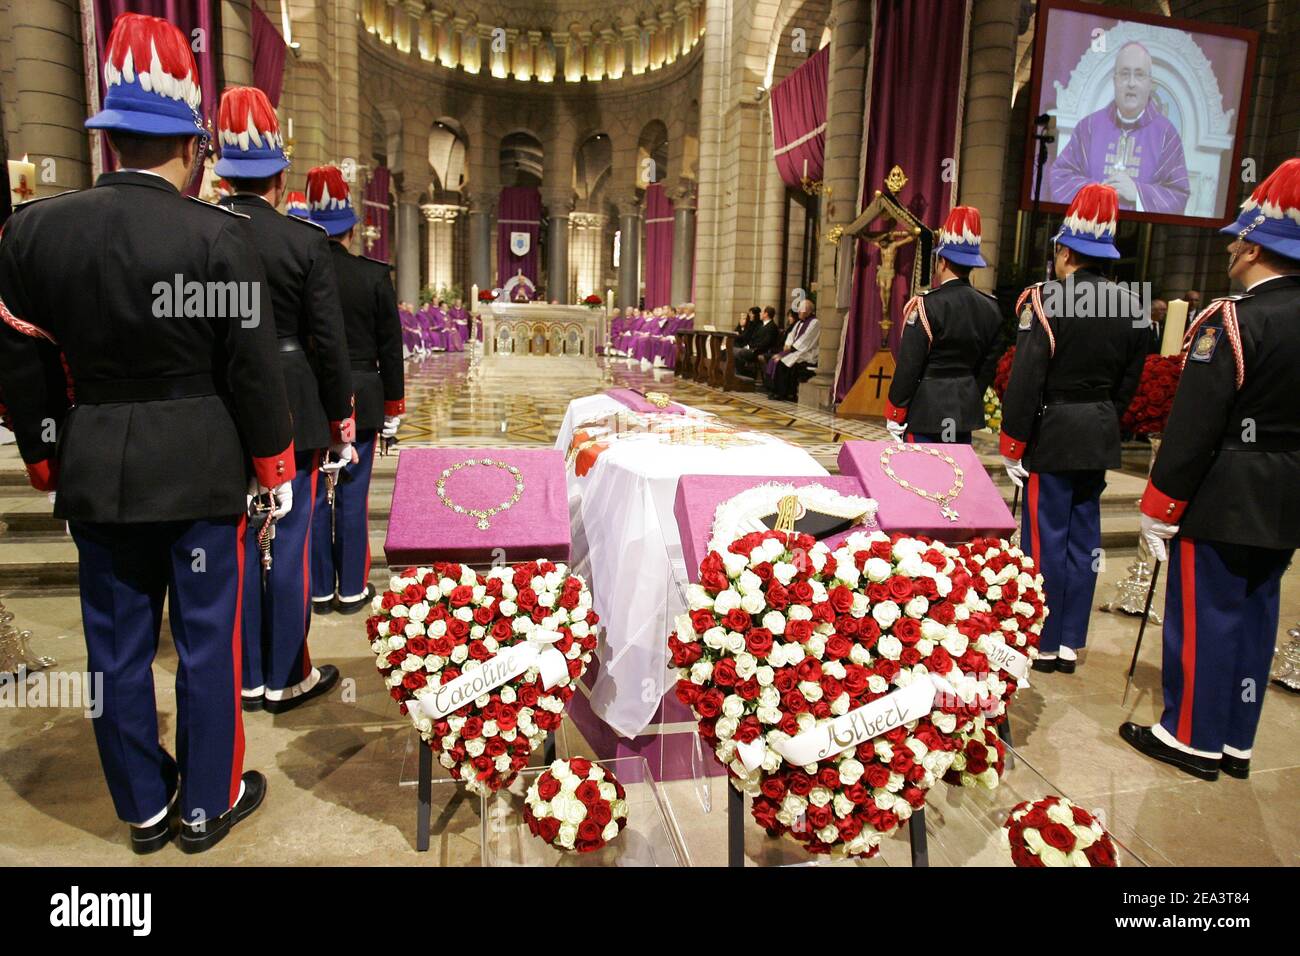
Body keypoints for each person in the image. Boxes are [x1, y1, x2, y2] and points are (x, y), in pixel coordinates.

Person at [0, 13, 294, 853]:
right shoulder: (218, 239)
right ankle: (206, 804)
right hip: (202, 471)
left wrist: (44, 449)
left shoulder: (33, 232)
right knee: (205, 646)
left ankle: (143, 808)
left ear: (109, 137)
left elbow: (21, 357)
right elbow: (250, 370)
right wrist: (273, 462)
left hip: (98, 468)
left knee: (115, 653)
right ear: (195, 146)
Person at [1122, 158, 1300, 782]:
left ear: (1254, 245)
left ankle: (1192, 736)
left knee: (1204, 615)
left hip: (1224, 492)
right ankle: (1235, 739)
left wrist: (1161, 506)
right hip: (1286, 495)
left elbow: (1195, 426)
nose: (1230, 250)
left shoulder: (1232, 320)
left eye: (1237, 240)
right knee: (1256, 616)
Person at [214, 86, 352, 715]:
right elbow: (328, 344)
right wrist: (340, 415)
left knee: (237, 543)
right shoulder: (303, 242)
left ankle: (243, 675)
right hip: (296, 405)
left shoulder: (201, 230)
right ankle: (286, 674)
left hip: (219, 408)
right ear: (280, 173)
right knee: (291, 540)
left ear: (217, 166)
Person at [999, 183, 1149, 674]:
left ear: (1065, 251)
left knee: (1043, 539)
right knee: (1085, 541)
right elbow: (1130, 383)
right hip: (1099, 432)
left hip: (1054, 433)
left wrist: (1013, 442)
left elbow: (1027, 378)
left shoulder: (1046, 301)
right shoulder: (1133, 305)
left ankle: (1040, 639)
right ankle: (1069, 641)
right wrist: (1106, 420)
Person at [307, 165, 404, 615]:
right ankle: (352, 590)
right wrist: (393, 407)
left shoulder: (298, 269)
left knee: (312, 498)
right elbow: (391, 347)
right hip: (361, 396)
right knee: (351, 495)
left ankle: (320, 589)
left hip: (310, 396)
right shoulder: (371, 276)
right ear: (352, 228)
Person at [884, 206, 1003, 443]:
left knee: (919, 478)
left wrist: (895, 412)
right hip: (962, 415)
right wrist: (968, 395)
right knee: (955, 477)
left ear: (942, 262)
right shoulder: (991, 308)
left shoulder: (926, 306)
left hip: (926, 413)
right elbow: (986, 369)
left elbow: (909, 365)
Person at [1049, 41, 1190, 215]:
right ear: (1115, 81)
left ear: (1150, 83)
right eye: (1124, 74)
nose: (1131, 83)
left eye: (1139, 75)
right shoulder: (1089, 127)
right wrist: (1099, 191)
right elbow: (1060, 176)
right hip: (1090, 225)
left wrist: (1137, 192)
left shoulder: (1166, 134)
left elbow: (1179, 194)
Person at [767, 299, 820, 401]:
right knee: (775, 360)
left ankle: (783, 393)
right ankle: (774, 389)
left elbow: (807, 338)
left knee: (782, 362)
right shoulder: (799, 322)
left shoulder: (815, 322)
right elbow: (791, 335)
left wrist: (791, 348)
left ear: (809, 311)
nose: (799, 312)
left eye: (801, 310)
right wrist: (787, 345)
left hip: (806, 352)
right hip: (795, 350)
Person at [736, 306, 780, 379]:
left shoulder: (772, 327)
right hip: (754, 348)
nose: (760, 314)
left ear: (766, 314)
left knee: (739, 352)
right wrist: (748, 345)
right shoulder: (761, 325)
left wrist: (750, 347)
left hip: (760, 351)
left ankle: (744, 376)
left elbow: (765, 343)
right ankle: (739, 375)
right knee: (734, 350)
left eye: (762, 312)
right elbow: (753, 338)